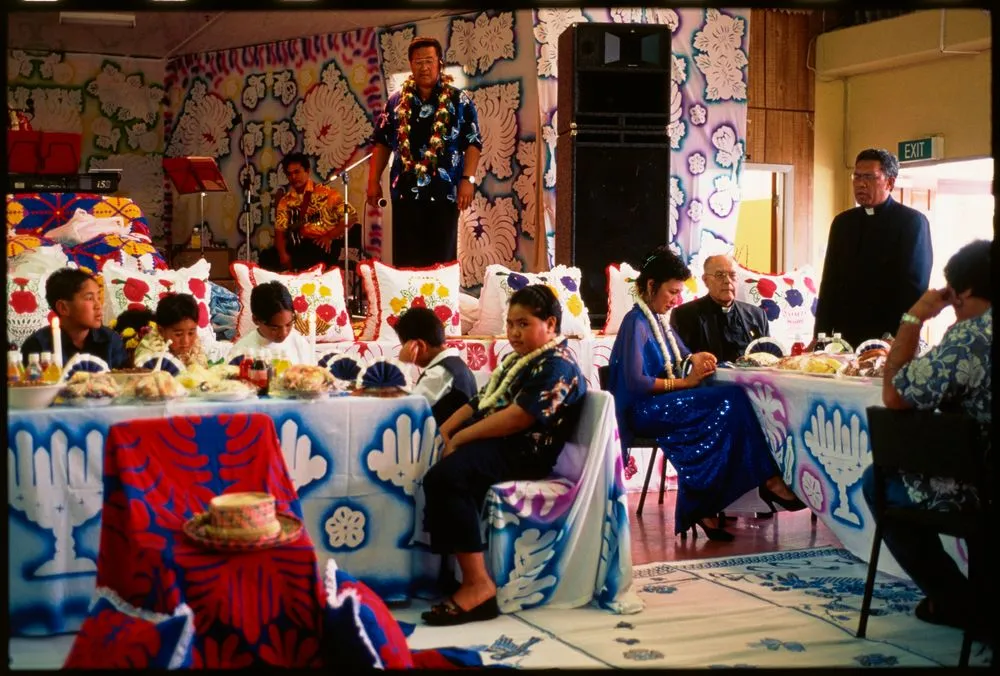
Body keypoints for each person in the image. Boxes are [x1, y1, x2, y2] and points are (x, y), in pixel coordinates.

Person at [607, 247, 806, 541]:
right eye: (672, 292)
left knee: (730, 401)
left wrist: (696, 357)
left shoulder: (657, 319)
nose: (676, 299)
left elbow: (683, 356)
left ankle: (706, 504)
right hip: (644, 411)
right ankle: (768, 480)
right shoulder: (635, 321)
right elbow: (636, 383)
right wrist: (685, 383)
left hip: (662, 405)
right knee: (732, 398)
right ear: (651, 286)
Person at [420, 285, 586, 626]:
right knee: (433, 466)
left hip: (526, 451)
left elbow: (519, 418)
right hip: (502, 444)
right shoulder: (517, 360)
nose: (513, 332)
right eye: (510, 324)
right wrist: (445, 432)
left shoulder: (558, 364)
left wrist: (460, 438)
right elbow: (479, 402)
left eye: (523, 324)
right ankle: (452, 573)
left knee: (449, 477)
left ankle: (479, 586)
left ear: (550, 324)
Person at [861, 239, 992, 631]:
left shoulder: (971, 337)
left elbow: (894, 394)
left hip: (982, 487)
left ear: (962, 291)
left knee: (876, 481)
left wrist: (914, 317)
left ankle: (954, 600)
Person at [367, 36, 483, 268]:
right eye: (418, 62)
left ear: (439, 62)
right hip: (405, 194)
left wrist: (468, 179)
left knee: (441, 263)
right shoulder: (396, 102)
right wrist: (373, 181)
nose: (424, 67)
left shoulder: (458, 99)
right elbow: (382, 143)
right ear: (411, 65)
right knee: (407, 264)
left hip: (444, 193)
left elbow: (473, 142)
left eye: (429, 61)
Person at [813, 148, 933, 348]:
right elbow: (829, 284)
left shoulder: (911, 222)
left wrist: (897, 335)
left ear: (890, 182)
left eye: (869, 177)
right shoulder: (843, 223)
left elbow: (915, 289)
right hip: (844, 337)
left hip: (889, 337)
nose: (860, 183)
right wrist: (820, 336)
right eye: (857, 176)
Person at [671, 254, 770, 363]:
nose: (727, 280)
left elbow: (769, 358)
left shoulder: (758, 315)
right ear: (705, 280)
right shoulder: (684, 315)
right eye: (719, 275)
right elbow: (682, 362)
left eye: (732, 275)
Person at [21, 267, 127, 369]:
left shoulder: (111, 340)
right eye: (89, 298)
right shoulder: (38, 345)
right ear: (63, 308)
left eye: (98, 298)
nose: (98, 305)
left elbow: (123, 378)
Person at [393, 306, 477, 426]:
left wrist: (402, 365)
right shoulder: (456, 365)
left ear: (420, 346)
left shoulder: (439, 374)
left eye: (405, 348)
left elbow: (406, 411)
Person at [274, 152, 357, 272]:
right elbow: (279, 231)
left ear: (307, 171)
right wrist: (283, 254)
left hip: (321, 245)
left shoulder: (327, 193)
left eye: (297, 172)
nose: (293, 177)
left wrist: (329, 236)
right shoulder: (285, 200)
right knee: (266, 257)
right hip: (297, 245)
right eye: (289, 174)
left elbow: (351, 216)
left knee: (308, 256)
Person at [229, 281, 312, 365]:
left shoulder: (298, 343)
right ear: (256, 320)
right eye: (275, 328)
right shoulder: (240, 353)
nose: (284, 333)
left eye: (288, 325)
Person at [133, 293, 207, 369]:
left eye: (191, 333)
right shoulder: (149, 355)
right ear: (161, 330)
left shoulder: (197, 351)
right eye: (178, 334)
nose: (186, 341)